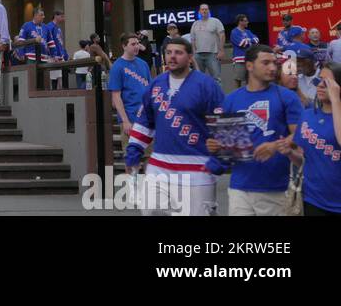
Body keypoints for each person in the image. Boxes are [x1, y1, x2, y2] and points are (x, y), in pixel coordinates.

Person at [125, 38, 225, 216]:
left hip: (197, 171)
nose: (172, 56)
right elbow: (145, 123)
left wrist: (220, 160)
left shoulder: (207, 85)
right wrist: (133, 152)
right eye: (168, 52)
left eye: (178, 53)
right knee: (149, 211)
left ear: (190, 57)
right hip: (158, 168)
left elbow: (222, 126)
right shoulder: (155, 85)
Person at [204, 45, 302, 216]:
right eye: (266, 63)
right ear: (249, 65)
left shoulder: (287, 97)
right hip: (239, 187)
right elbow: (228, 144)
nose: (272, 68)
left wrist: (275, 145)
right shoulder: (231, 99)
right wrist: (216, 146)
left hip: (275, 187)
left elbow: (301, 135)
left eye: (274, 63)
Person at [282, 62, 341, 216]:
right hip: (313, 199)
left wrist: (336, 99)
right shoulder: (307, 115)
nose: (320, 85)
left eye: (327, 82)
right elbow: (304, 161)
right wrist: (290, 153)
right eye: (319, 80)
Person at [108, 33, 153, 150]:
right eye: (133, 44)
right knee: (131, 156)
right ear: (124, 46)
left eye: (137, 43)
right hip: (130, 118)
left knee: (149, 155)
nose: (136, 46)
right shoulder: (117, 67)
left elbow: (150, 90)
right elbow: (116, 97)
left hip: (146, 119)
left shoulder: (143, 64)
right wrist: (125, 121)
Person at [190, 3, 225, 84]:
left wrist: (221, 50)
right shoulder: (195, 24)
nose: (204, 11)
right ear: (199, 11)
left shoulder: (215, 21)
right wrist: (194, 53)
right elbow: (192, 39)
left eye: (206, 9)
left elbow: (222, 35)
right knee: (199, 79)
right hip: (198, 55)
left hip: (212, 54)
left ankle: (217, 92)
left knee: (216, 78)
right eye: (202, 9)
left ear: (209, 11)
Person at [229, 14, 260, 88]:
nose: (247, 22)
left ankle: (248, 93)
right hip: (239, 59)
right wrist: (250, 41)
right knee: (238, 79)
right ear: (240, 22)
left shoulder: (248, 31)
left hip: (249, 58)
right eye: (245, 21)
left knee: (249, 79)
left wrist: (248, 40)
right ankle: (237, 94)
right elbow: (242, 43)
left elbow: (257, 40)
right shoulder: (234, 32)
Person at [44, 11, 69, 89]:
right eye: (62, 16)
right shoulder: (49, 26)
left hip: (60, 56)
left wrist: (65, 54)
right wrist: (52, 55)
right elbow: (47, 42)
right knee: (54, 79)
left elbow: (60, 42)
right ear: (56, 16)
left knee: (62, 78)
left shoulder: (58, 28)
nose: (63, 19)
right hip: (53, 57)